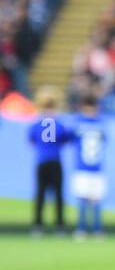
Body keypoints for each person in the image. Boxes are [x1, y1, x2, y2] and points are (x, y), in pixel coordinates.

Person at [27, 85, 74, 235]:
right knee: (58, 194)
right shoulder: (59, 124)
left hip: (41, 161)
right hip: (55, 161)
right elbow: (66, 138)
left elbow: (31, 140)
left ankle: (37, 226)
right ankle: (59, 225)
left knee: (40, 194)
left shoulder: (36, 124)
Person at [70, 95, 108, 240]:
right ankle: (97, 230)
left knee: (83, 200)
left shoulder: (78, 124)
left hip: (82, 168)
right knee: (95, 200)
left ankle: (82, 230)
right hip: (96, 168)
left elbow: (68, 138)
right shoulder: (101, 124)